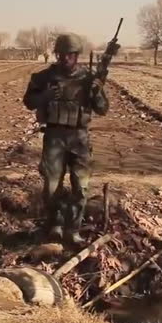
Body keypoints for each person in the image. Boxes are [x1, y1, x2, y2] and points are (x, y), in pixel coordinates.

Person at [22, 33, 119, 244]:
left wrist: (97, 92)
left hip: (79, 138)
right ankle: (55, 225)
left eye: (71, 54)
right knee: (52, 185)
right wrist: (44, 97)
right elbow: (28, 101)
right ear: (57, 54)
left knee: (80, 186)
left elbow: (102, 109)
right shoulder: (44, 77)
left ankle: (73, 229)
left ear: (77, 55)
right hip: (54, 136)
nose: (66, 58)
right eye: (62, 54)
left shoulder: (88, 78)